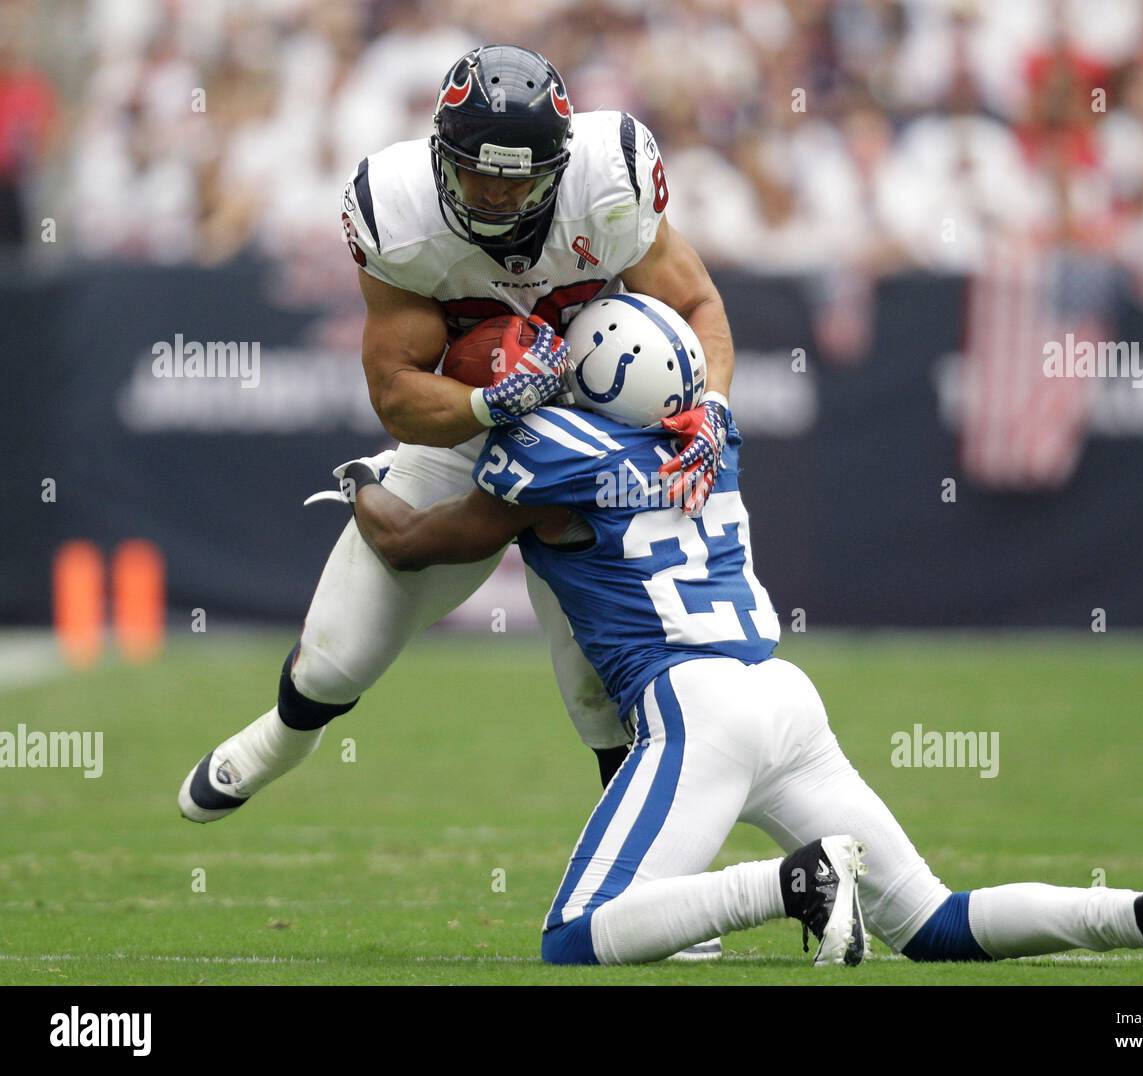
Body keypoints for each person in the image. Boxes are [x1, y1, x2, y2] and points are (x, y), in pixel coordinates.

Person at [337, 294, 1143, 967]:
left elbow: (418, 544)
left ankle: (789, 883)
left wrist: (366, 482)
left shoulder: (552, 456)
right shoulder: (715, 432)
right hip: (783, 696)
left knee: (575, 937)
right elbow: (670, 406)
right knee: (935, 924)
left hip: (695, 707)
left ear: (597, 374)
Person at [178, 45, 736, 836]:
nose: (497, 194)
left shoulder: (609, 182)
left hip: (603, 427)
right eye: (478, 172)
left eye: (519, 178)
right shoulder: (398, 212)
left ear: (561, 165)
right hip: (477, 418)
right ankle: (282, 739)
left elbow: (697, 303)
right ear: (440, 154)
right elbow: (397, 392)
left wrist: (711, 406)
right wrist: (489, 403)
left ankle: (650, 870)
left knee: (605, 680)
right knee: (339, 655)